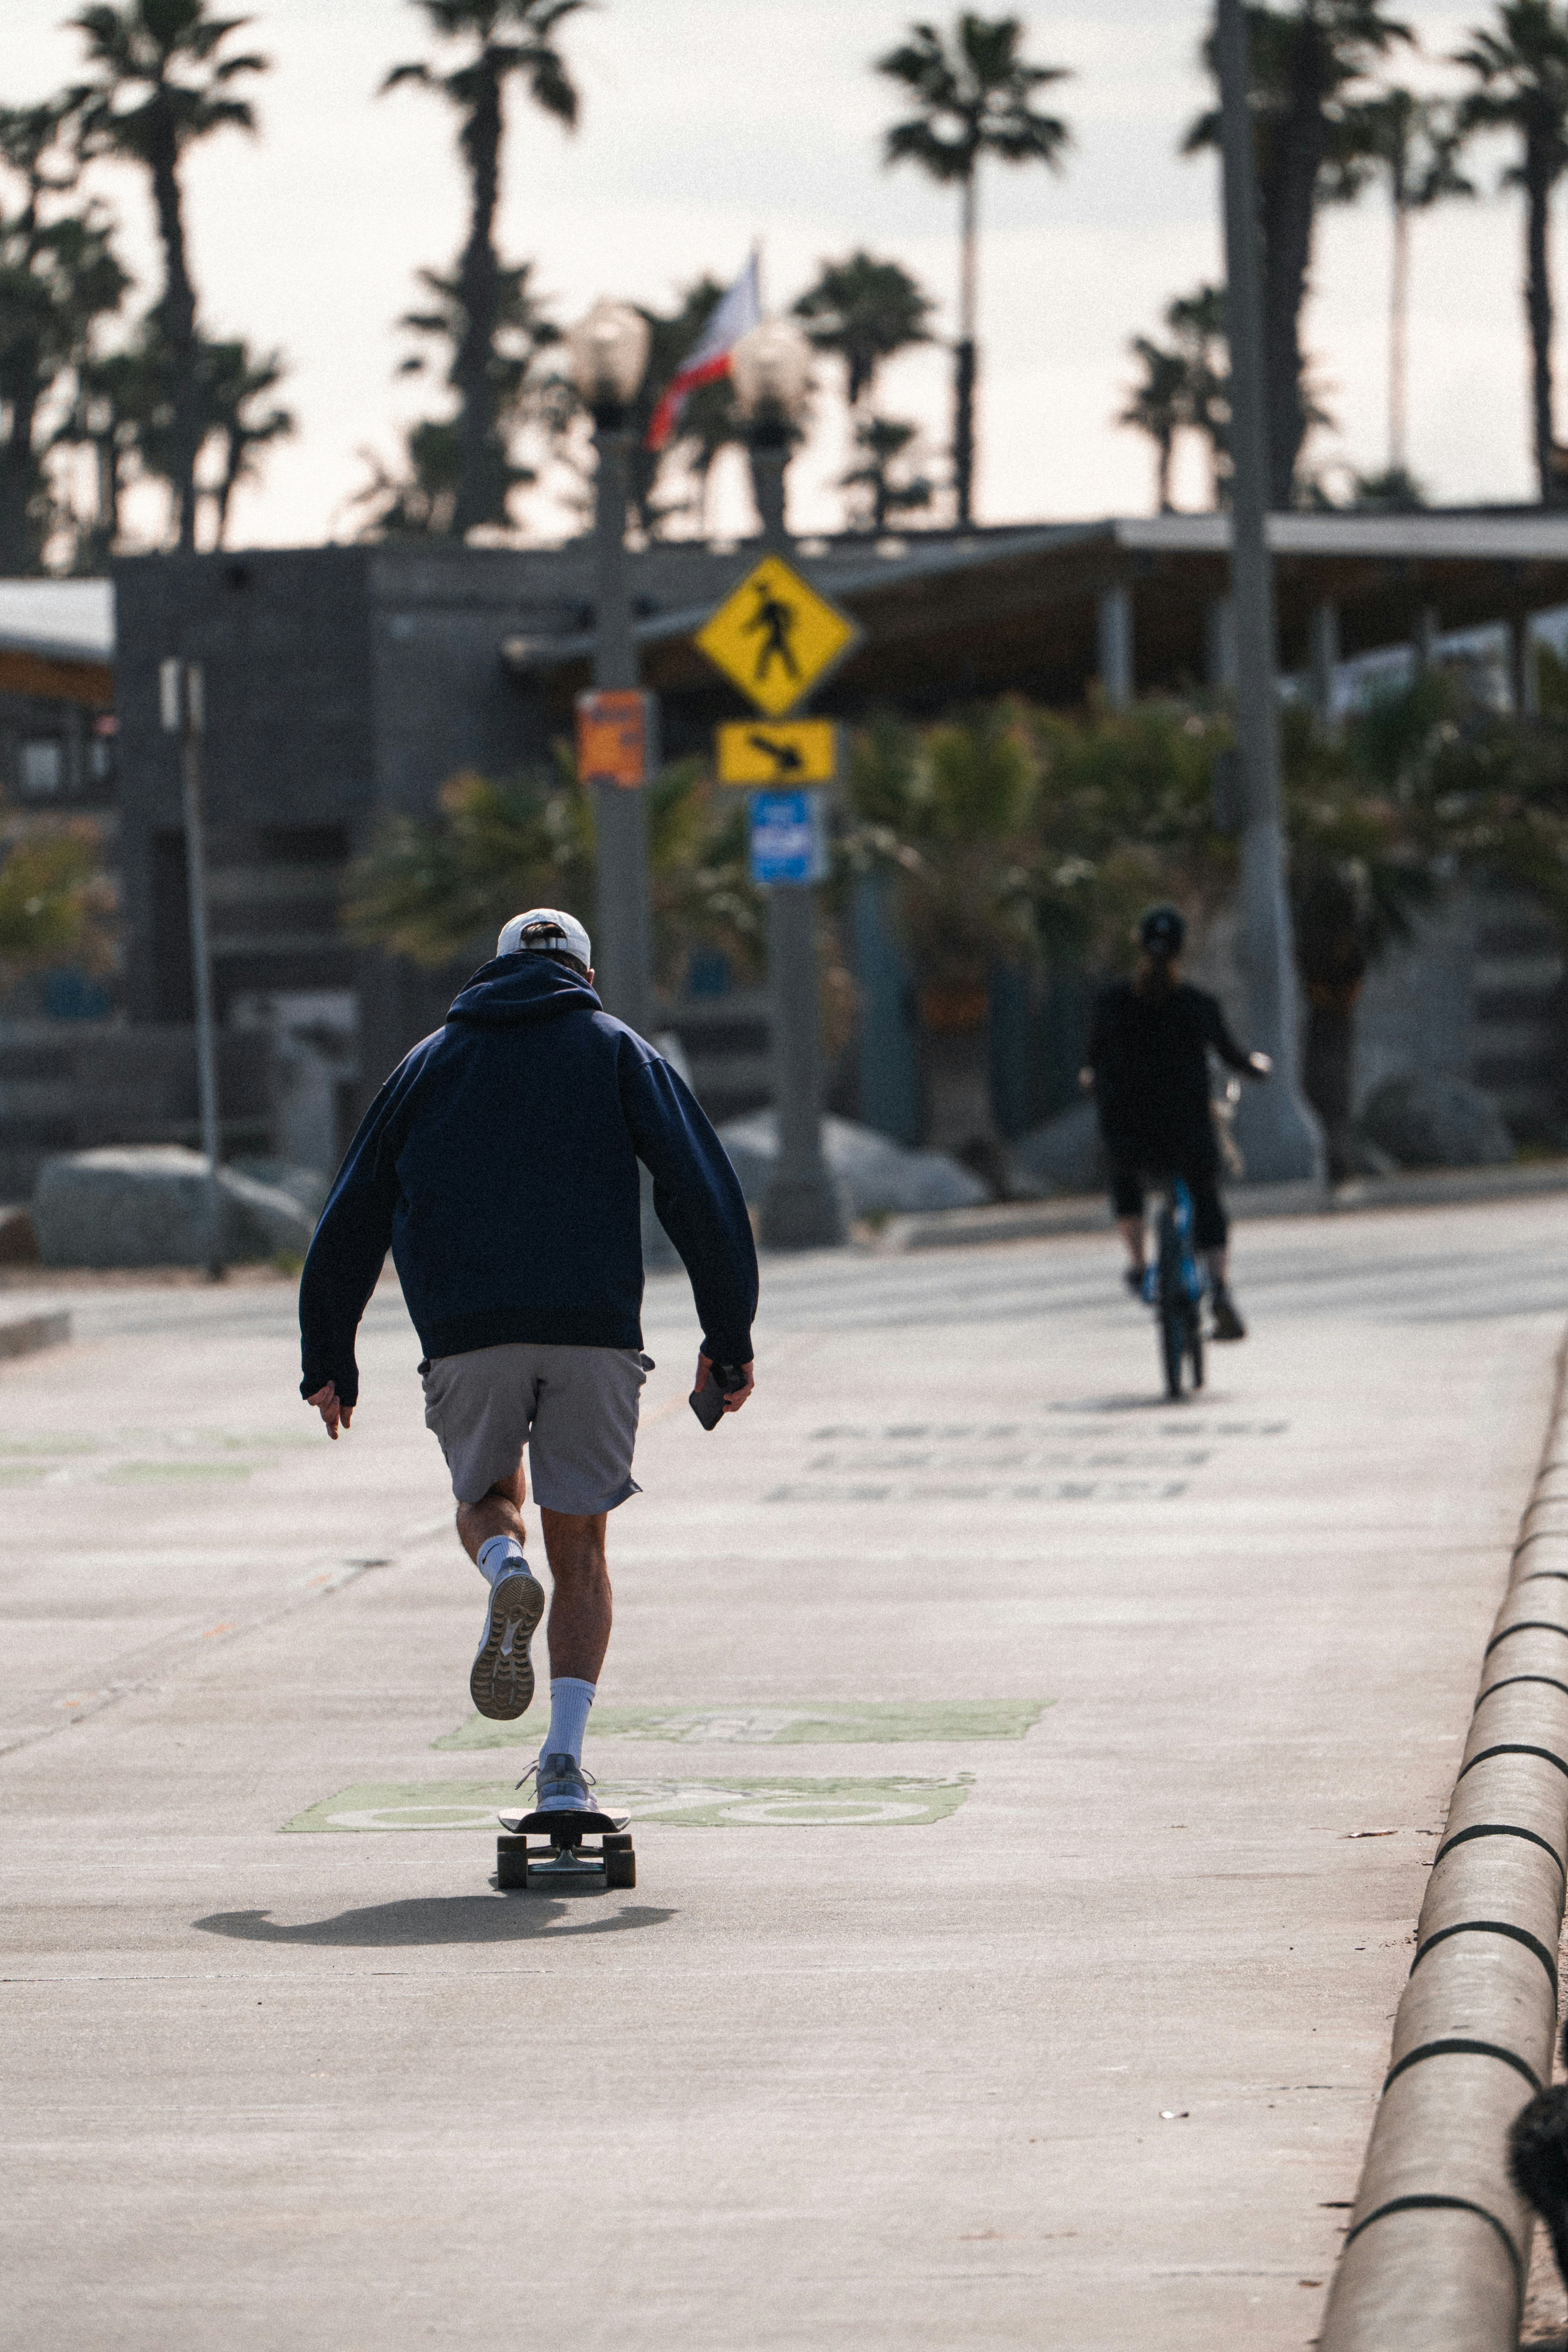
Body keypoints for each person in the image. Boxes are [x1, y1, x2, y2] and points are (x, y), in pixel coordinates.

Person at [296, 908, 758, 1814]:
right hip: (592, 1330)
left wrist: (328, 1356)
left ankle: (505, 1571)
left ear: (492, 971)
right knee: (581, 1546)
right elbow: (700, 1192)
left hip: (468, 1333)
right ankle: (562, 1766)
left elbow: (353, 1209)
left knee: (485, 1502)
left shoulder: (426, 1063)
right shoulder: (616, 1047)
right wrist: (727, 1342)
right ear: (585, 975)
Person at [1083, 903, 1271, 1341]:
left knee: (1124, 1179)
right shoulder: (1198, 1005)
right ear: (1183, 951)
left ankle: (1137, 1265)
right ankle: (1220, 1289)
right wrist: (1255, 1067)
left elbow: (1091, 1061)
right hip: (1187, 1131)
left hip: (1129, 1132)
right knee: (1205, 1198)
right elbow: (1232, 1057)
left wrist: (1093, 1079)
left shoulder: (1112, 1005)